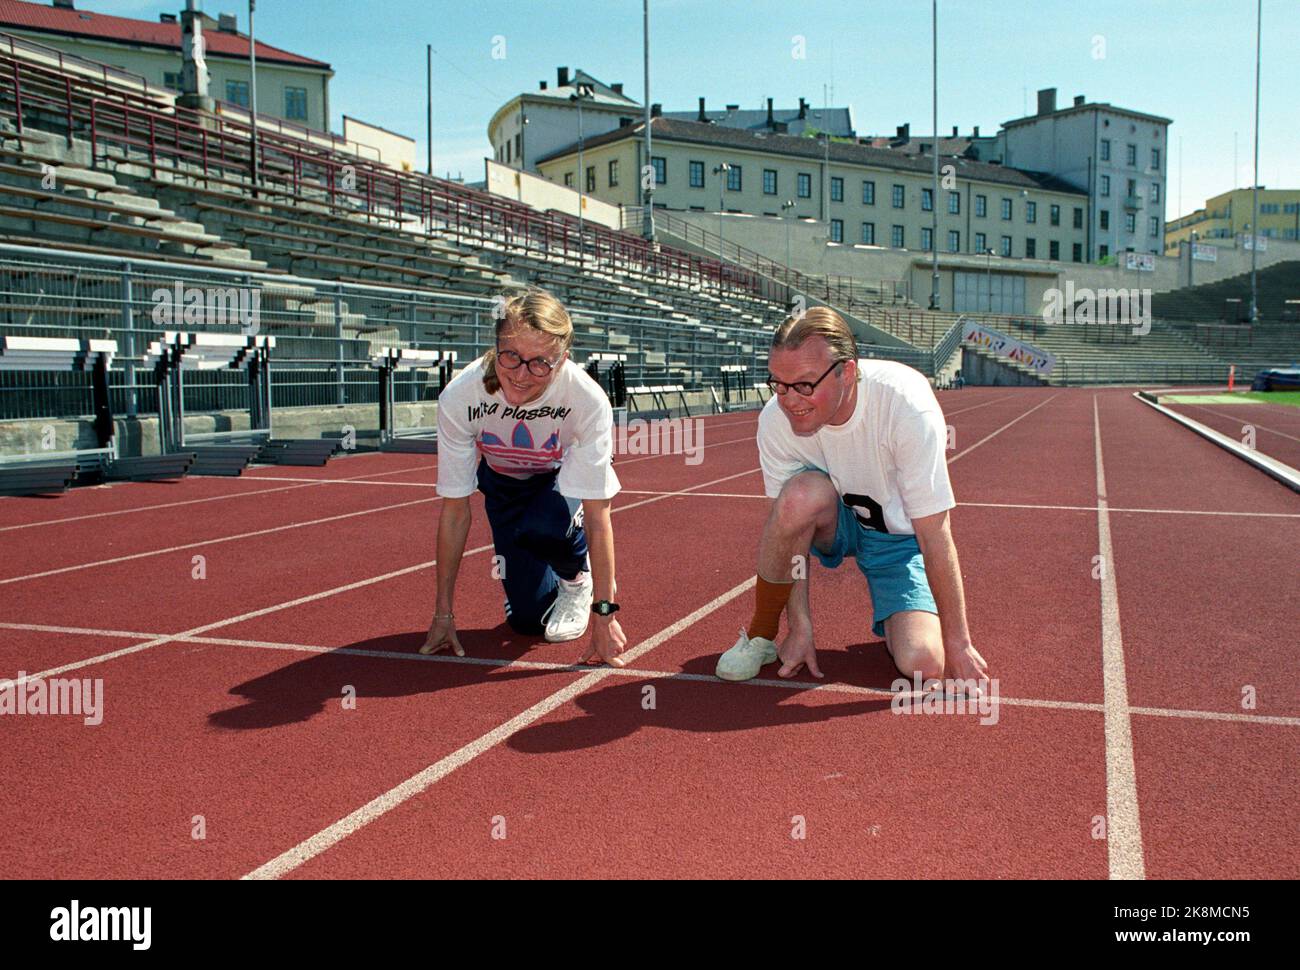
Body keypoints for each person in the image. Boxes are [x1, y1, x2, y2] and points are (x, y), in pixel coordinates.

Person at [716, 307, 989, 692]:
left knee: (924, 663)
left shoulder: (904, 405)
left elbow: (934, 533)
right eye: (778, 385)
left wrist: (958, 642)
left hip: (897, 538)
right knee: (796, 499)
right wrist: (800, 627)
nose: (790, 401)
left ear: (846, 371)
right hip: (836, 521)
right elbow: (788, 535)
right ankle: (763, 634)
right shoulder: (776, 422)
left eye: (805, 385)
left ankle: (904, 620)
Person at [421, 289, 627, 667]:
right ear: (495, 347)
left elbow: (599, 516)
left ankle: (576, 579)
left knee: (543, 524)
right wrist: (442, 614)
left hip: (560, 480)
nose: (520, 375)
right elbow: (455, 509)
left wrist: (603, 613)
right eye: (511, 356)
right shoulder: (460, 396)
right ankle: (543, 580)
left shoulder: (586, 400)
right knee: (527, 622)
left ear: (562, 360)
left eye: (539, 364)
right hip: (502, 485)